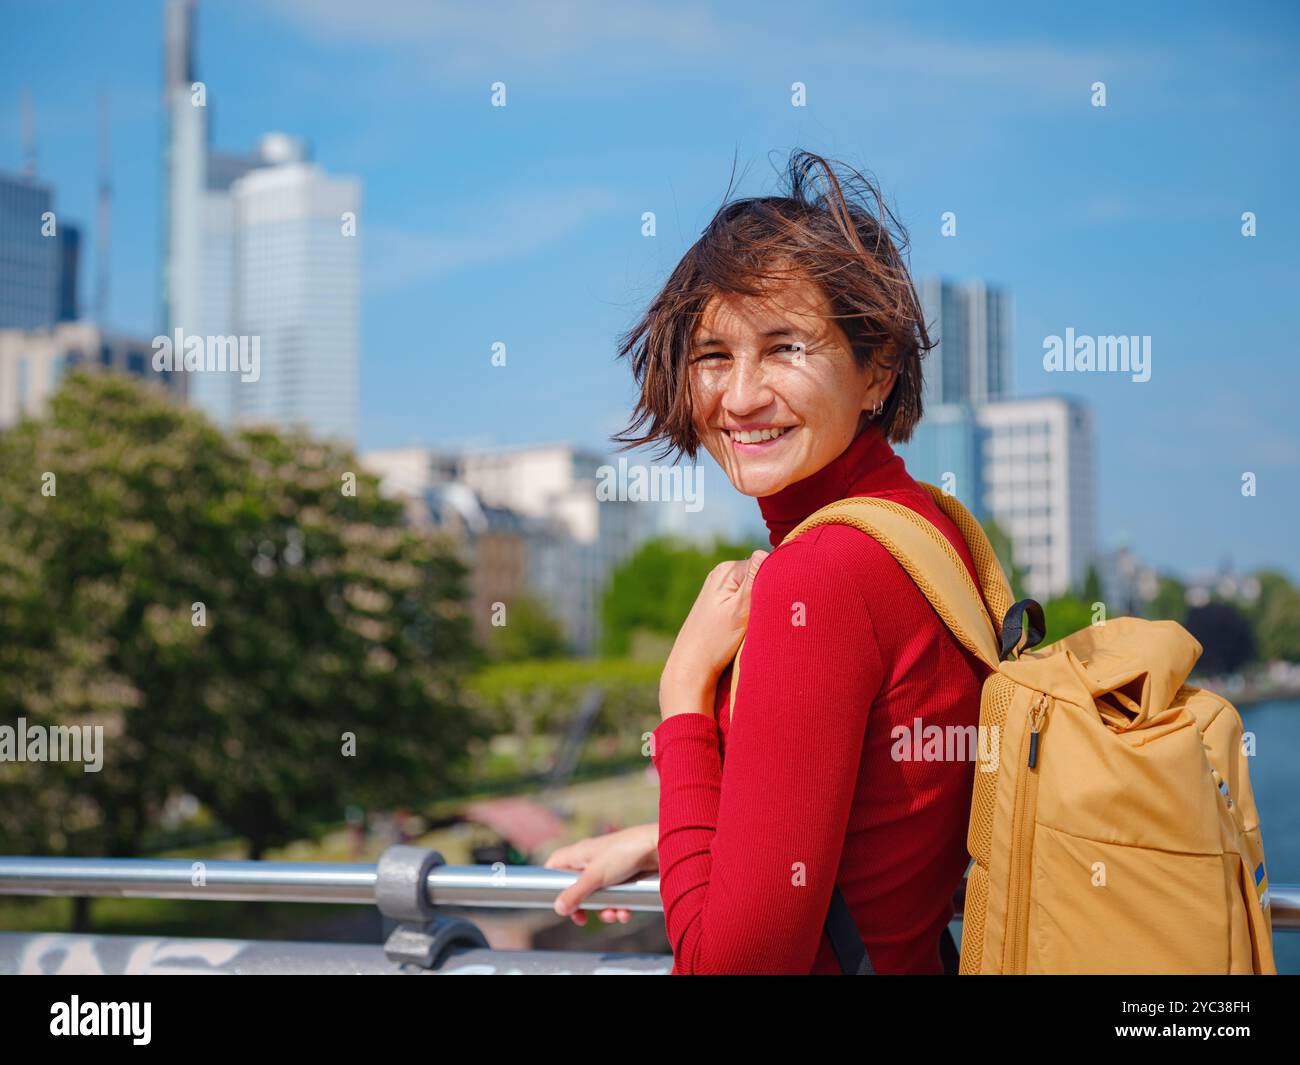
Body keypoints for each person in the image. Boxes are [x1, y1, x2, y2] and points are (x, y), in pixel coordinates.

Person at [546, 150, 986, 973]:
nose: (741, 395)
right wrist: (673, 838)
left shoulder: (819, 576)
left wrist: (681, 694)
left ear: (876, 369)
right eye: (713, 355)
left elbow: (732, 967)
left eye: (785, 347)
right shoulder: (930, 529)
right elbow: (880, 820)